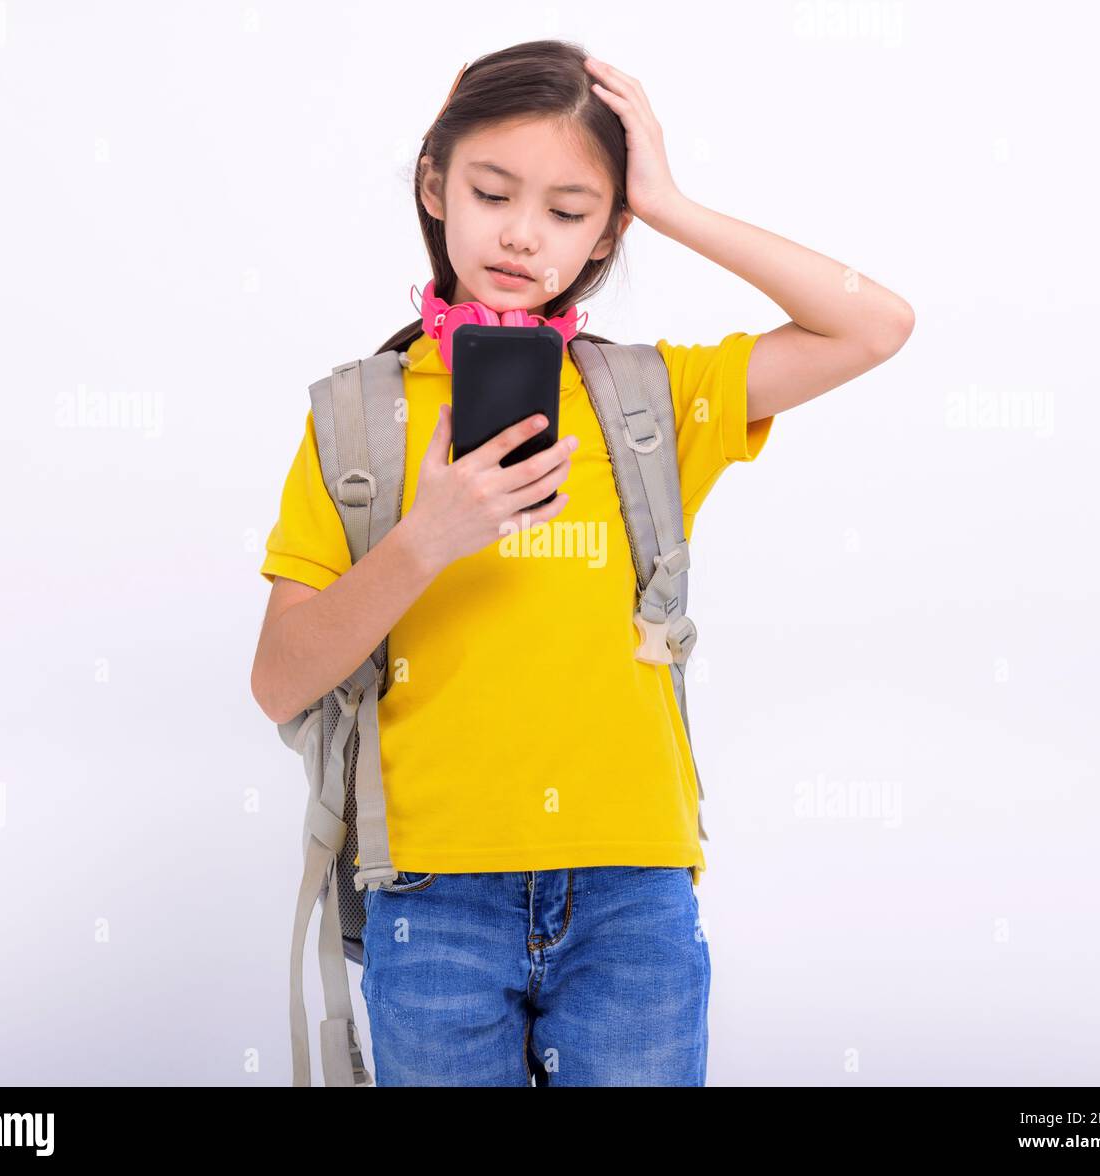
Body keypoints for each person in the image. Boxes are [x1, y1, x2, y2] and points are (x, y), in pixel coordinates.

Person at [250, 39, 914, 1087]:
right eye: (491, 191)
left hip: (631, 888)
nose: (522, 234)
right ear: (434, 185)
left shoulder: (650, 401)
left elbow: (875, 325)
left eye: (569, 210)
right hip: (429, 890)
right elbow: (280, 678)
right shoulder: (353, 419)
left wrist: (671, 203)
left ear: (610, 227)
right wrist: (426, 540)